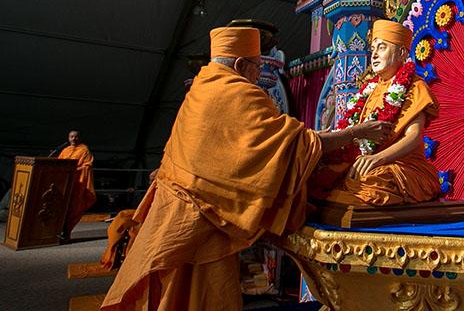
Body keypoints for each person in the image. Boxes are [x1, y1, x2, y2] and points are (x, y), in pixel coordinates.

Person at [101, 26, 390, 311]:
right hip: (196, 219)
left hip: (177, 212)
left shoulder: (203, 84)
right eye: (256, 66)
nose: (257, 75)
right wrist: (355, 133)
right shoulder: (235, 92)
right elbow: (292, 145)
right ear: (240, 64)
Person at [311, 19, 441, 206]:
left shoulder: (415, 86)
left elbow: (414, 136)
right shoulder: (370, 90)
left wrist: (378, 158)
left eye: (382, 48)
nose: (374, 55)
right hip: (365, 159)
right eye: (373, 49)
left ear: (401, 53)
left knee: (370, 181)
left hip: (402, 165)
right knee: (321, 174)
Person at [58, 130, 96, 240]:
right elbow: (58, 164)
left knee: (73, 208)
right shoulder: (65, 150)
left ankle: (66, 232)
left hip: (77, 184)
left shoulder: (84, 150)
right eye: (71, 136)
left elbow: (87, 165)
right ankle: (57, 232)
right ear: (68, 138)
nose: (73, 138)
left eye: (76, 136)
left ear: (79, 138)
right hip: (65, 184)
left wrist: (74, 170)